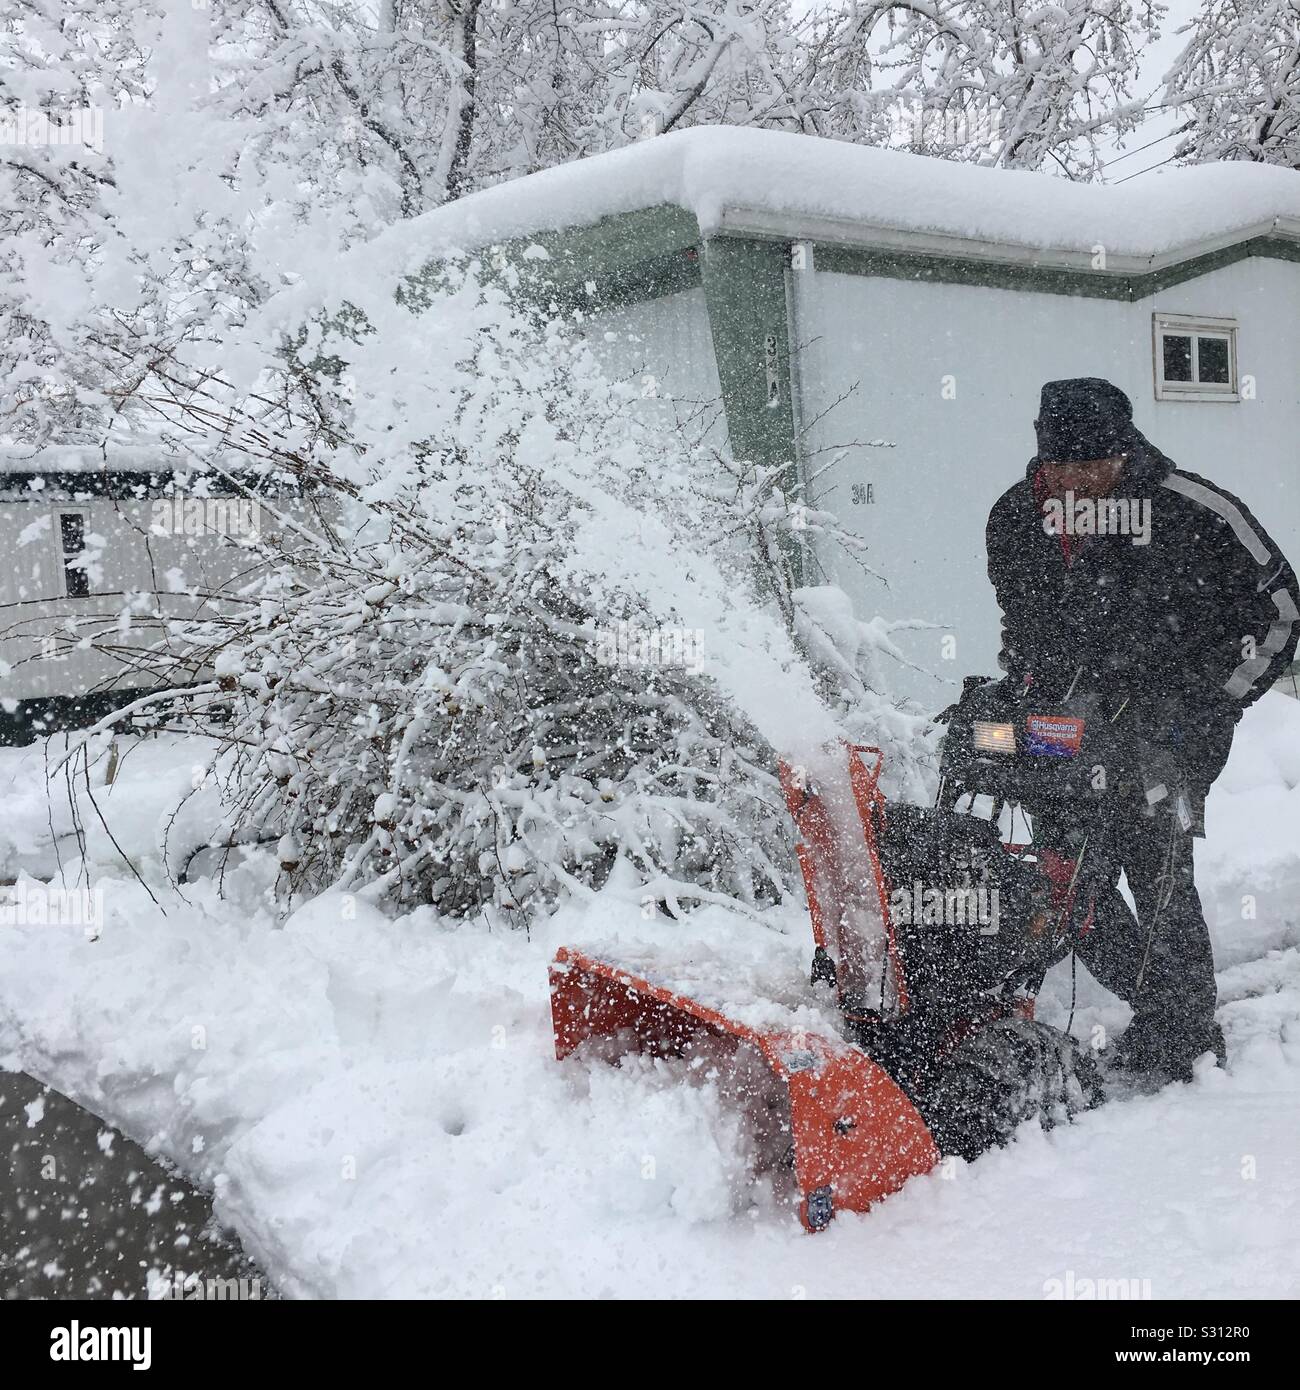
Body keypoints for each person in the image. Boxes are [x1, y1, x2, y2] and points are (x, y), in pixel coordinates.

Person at [984, 378, 1299, 1082]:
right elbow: (1024, 627)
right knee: (1071, 881)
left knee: (1156, 871)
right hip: (1065, 730)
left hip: (1173, 732)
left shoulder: (1193, 509)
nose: (1083, 483)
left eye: (1098, 467)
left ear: (1125, 451)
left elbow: (1281, 609)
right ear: (1043, 462)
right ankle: (1156, 1002)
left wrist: (1213, 704)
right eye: (1065, 470)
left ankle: (1182, 1036)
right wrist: (1019, 696)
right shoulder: (1013, 518)